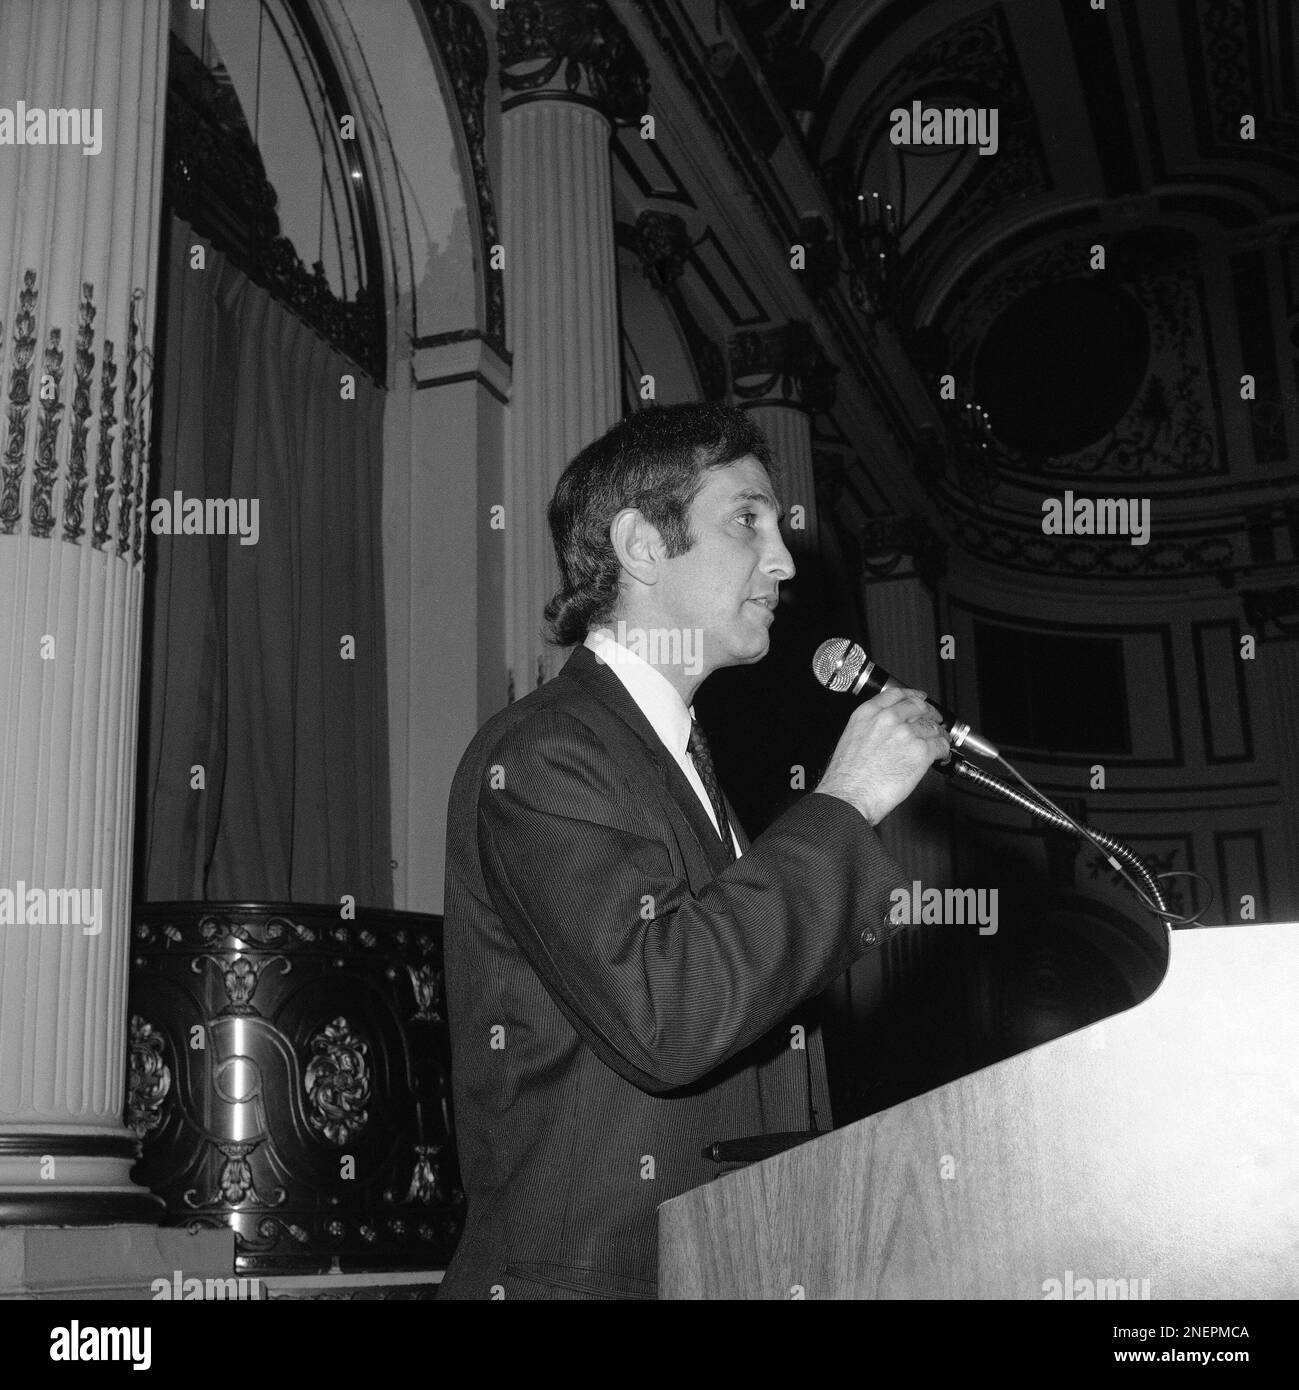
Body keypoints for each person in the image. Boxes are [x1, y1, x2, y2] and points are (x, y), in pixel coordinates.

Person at [437, 402, 949, 1300]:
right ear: (641, 545)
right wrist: (847, 800)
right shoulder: (550, 751)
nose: (785, 560)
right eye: (747, 520)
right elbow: (670, 1018)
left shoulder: (675, 757)